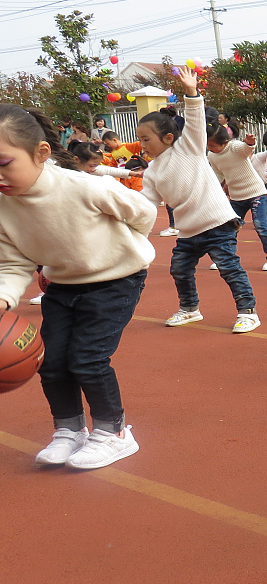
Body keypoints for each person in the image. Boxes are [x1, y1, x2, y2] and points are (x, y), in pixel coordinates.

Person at [0, 103, 155, 469]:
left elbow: (143, 212)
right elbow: (13, 260)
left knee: (88, 359)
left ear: (41, 153)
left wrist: (124, 251)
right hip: (63, 284)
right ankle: (69, 430)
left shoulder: (85, 187)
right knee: (51, 362)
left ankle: (114, 432)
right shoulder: (4, 205)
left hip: (116, 281)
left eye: (4, 163)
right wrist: (4, 297)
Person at [137, 66, 261, 334]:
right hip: (188, 232)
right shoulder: (153, 172)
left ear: (168, 138)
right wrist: (133, 233)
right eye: (139, 139)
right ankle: (190, 309)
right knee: (179, 270)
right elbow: (145, 206)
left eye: (146, 139)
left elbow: (195, 121)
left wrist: (192, 92)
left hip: (217, 224)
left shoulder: (188, 147)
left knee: (229, 269)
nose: (141, 144)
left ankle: (248, 312)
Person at [206, 125, 267, 272]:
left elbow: (246, 150)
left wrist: (249, 143)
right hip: (236, 196)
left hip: (255, 193)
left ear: (225, 141)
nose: (209, 147)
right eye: (207, 144)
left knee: (260, 225)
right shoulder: (212, 155)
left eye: (212, 145)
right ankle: (226, 258)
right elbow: (218, 175)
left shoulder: (235, 147)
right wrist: (216, 189)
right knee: (230, 228)